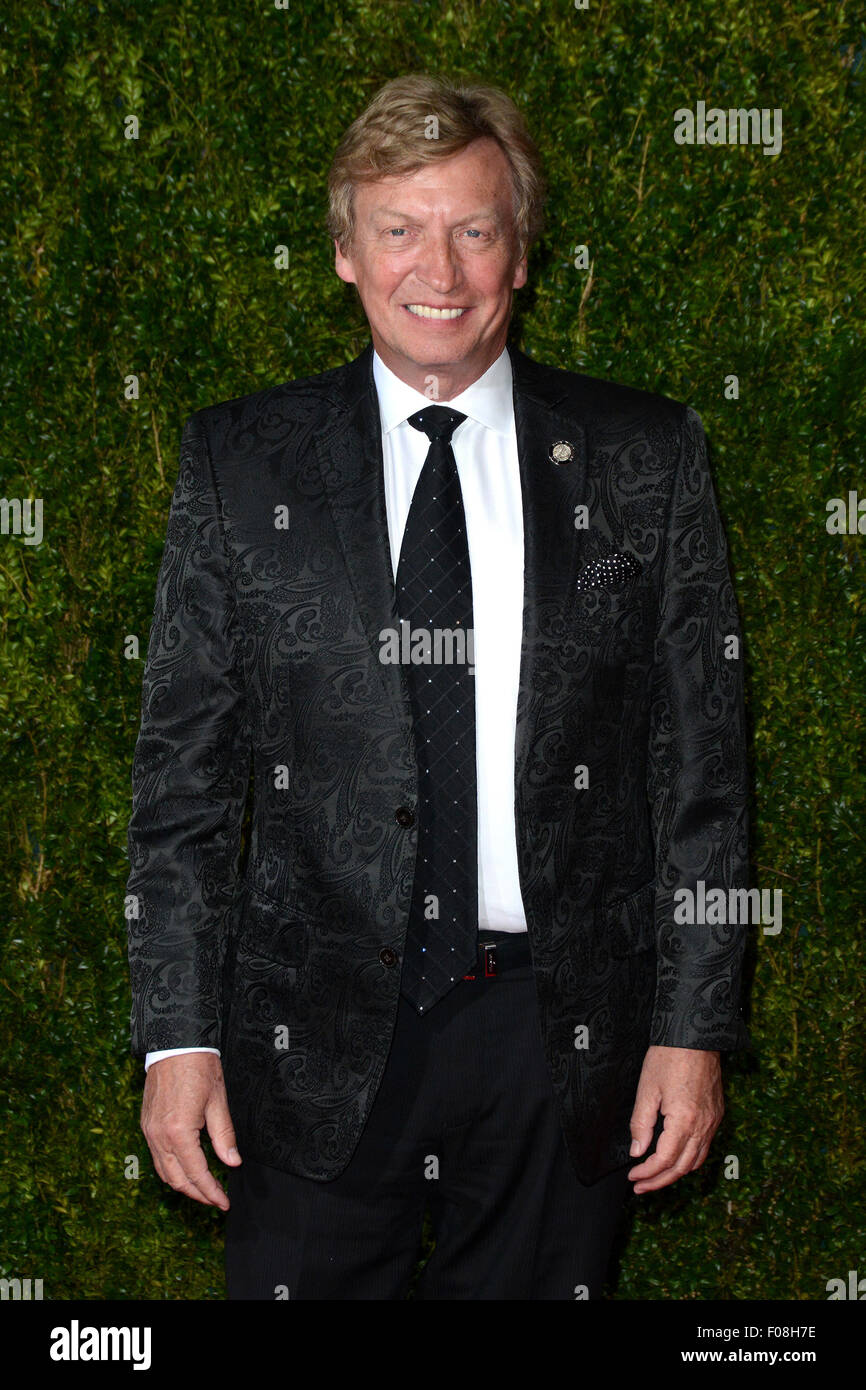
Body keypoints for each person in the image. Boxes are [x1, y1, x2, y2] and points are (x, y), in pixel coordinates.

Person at [126, 73, 750, 1301]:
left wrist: (691, 1027)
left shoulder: (642, 456)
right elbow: (182, 782)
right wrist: (176, 1035)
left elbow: (701, 771)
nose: (439, 271)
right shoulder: (242, 461)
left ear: (520, 254)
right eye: (399, 229)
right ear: (345, 253)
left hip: (559, 1035)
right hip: (307, 1039)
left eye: (472, 229)